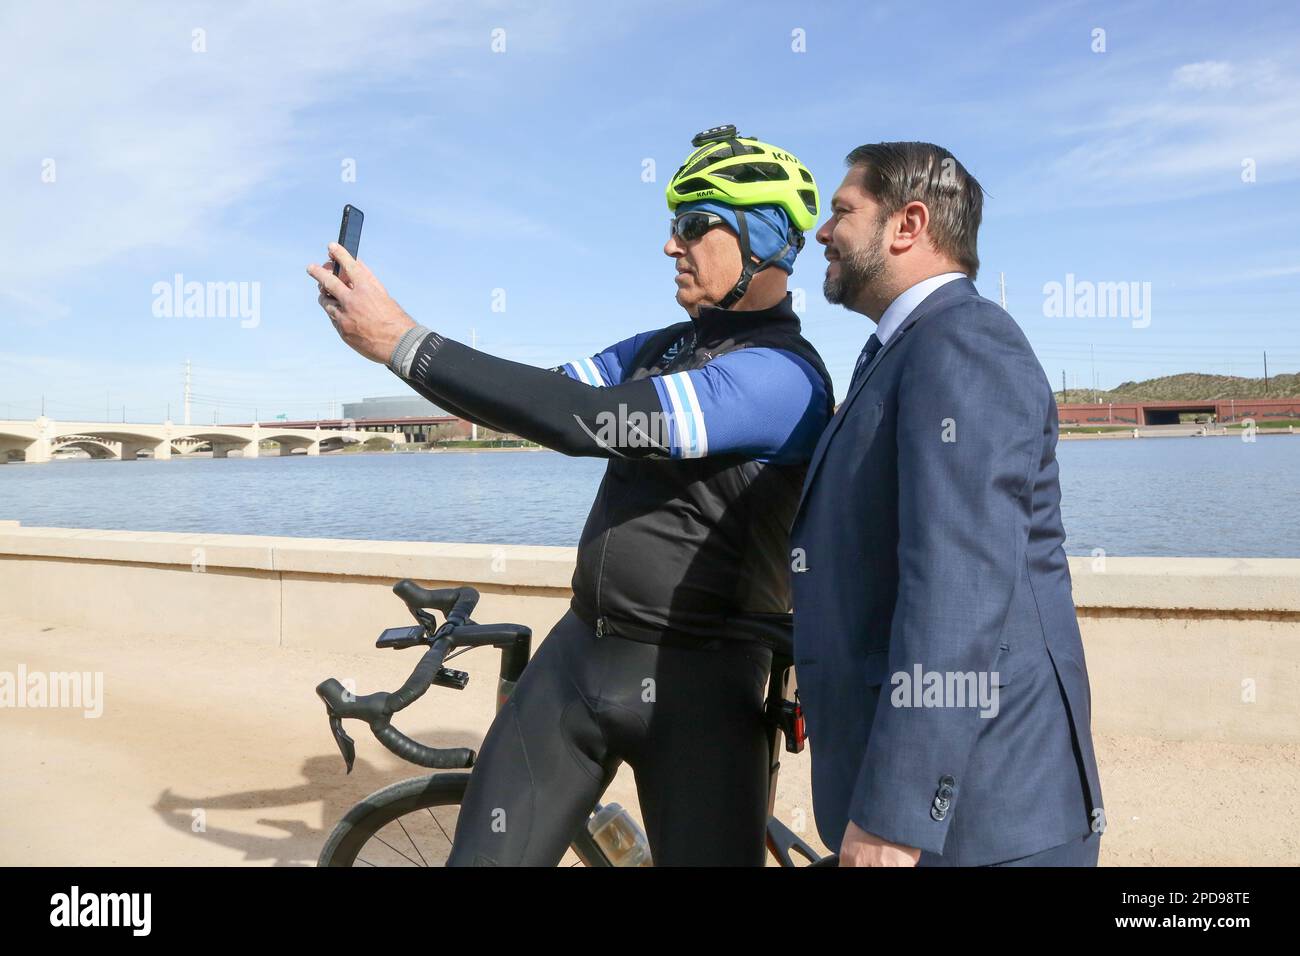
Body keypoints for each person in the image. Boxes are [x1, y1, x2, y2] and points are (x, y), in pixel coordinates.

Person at [307, 127, 833, 865]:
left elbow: (585, 423)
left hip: (702, 695)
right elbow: (539, 397)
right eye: (670, 225)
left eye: (691, 225)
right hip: (580, 660)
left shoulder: (782, 379)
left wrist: (401, 338)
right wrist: (395, 347)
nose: (669, 245)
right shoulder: (662, 348)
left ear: (763, 239)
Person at [790, 141, 1104, 867]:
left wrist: (897, 814)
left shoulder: (963, 341)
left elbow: (957, 587)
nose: (822, 232)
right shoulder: (903, 351)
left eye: (842, 211)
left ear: (908, 224)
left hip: (983, 823)